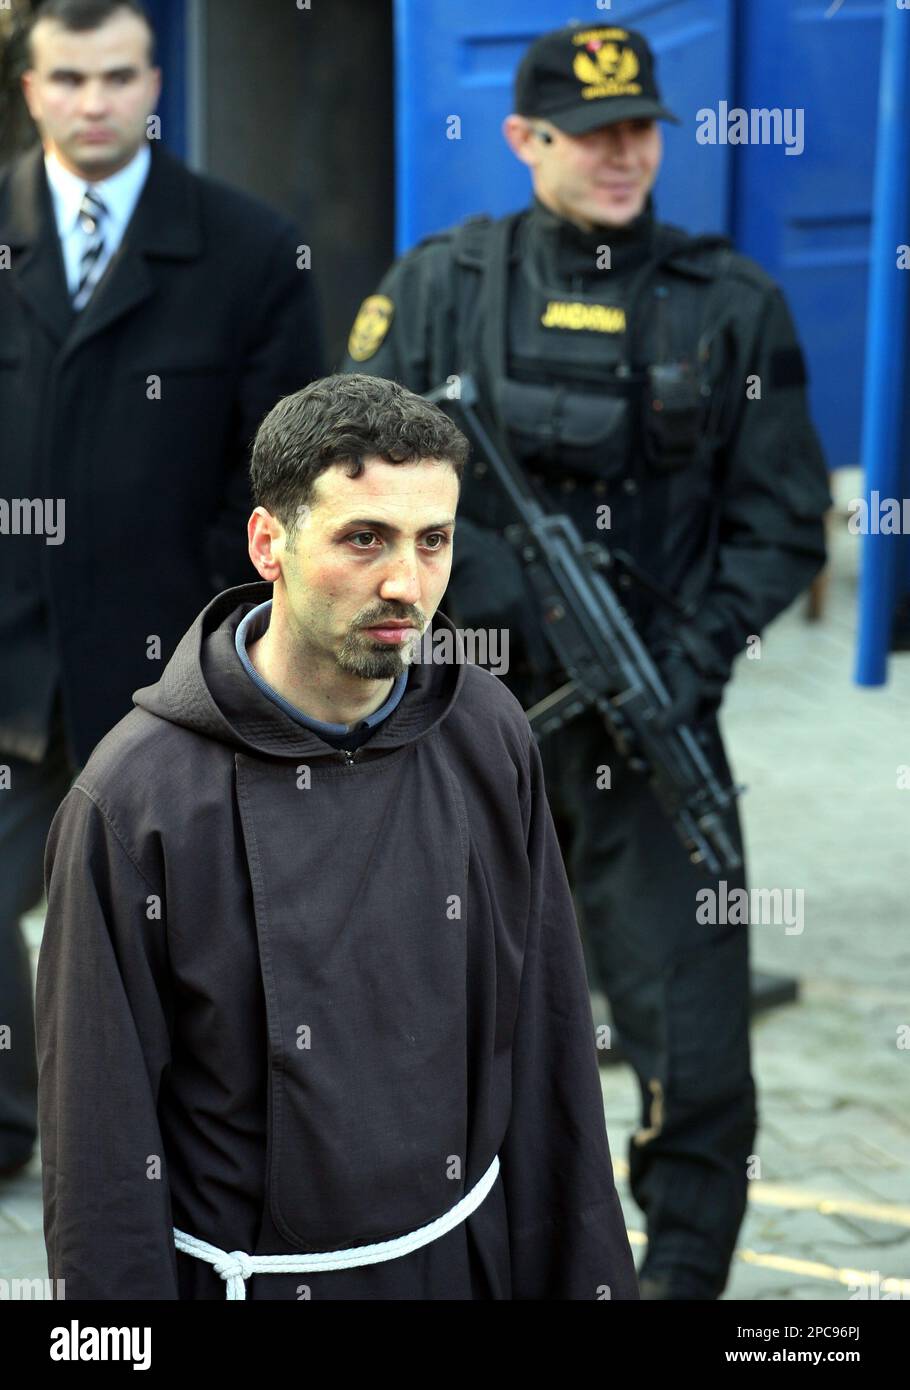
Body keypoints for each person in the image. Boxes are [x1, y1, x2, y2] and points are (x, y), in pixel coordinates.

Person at [341, 22, 832, 1299]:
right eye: (591, 131)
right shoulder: (443, 282)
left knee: (700, 1054)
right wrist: (474, 582)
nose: (624, 154)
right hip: (460, 738)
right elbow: (337, 471)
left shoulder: (732, 302)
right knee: (436, 1042)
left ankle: (677, 1284)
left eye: (641, 129)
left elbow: (781, 520)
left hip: (648, 724)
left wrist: (688, 656)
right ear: (525, 140)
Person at [35, 372, 640, 1301]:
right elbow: (100, 1160)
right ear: (268, 541)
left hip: (463, 1270)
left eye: (431, 541)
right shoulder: (133, 801)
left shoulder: (486, 732)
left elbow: (550, 1046)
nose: (406, 582)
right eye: (364, 539)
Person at [0, 0, 321, 1178]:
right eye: (69, 78)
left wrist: (240, 650)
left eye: (119, 76)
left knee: (187, 928)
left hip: (173, 669)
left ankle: (190, 1139)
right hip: (12, 663)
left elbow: (284, 479)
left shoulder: (247, 249)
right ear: (30, 89)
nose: (95, 102)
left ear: (154, 84)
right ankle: (12, 1122)